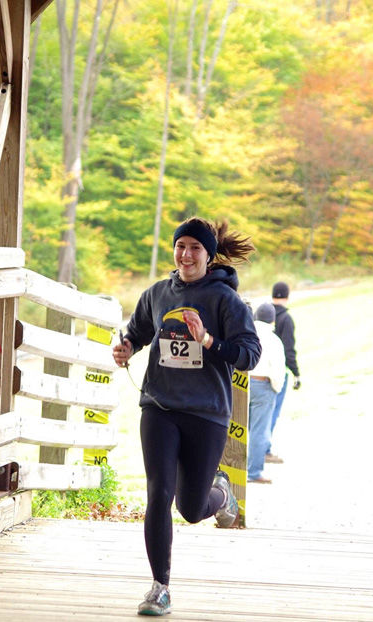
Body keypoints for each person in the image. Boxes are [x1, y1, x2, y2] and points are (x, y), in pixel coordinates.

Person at [112, 217, 261, 616]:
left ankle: (222, 493)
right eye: (181, 246)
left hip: (206, 413)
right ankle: (160, 587)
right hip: (159, 407)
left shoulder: (225, 301)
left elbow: (249, 354)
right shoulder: (158, 293)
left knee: (192, 510)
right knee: (159, 494)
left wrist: (208, 340)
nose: (186, 254)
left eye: (196, 248)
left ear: (209, 256)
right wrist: (126, 347)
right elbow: (138, 331)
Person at [247, 303, 287, 484]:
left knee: (236, 428)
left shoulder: (248, 333)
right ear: (272, 320)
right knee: (259, 430)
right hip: (263, 384)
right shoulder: (274, 340)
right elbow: (279, 369)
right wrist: (276, 389)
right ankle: (254, 472)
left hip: (243, 383)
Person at [266, 282, 301, 464]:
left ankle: (256, 448)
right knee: (272, 412)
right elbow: (289, 349)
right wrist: (296, 373)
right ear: (287, 296)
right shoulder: (286, 319)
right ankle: (265, 449)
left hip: (259, 369)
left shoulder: (263, 313)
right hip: (278, 372)